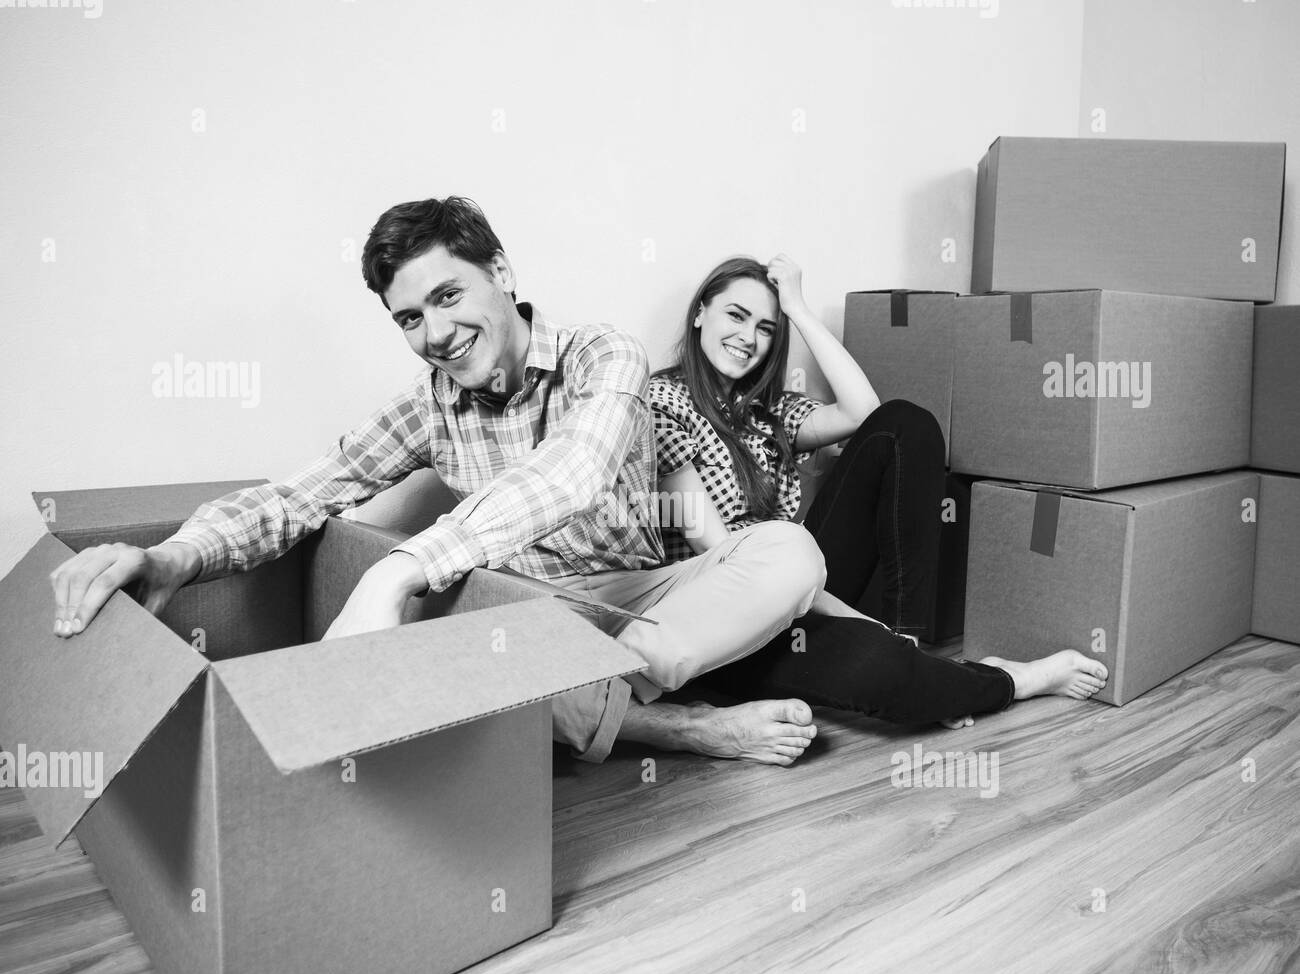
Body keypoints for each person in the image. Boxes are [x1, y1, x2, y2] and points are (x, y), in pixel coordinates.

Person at [47, 200, 828, 766]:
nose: (437, 335)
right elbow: (302, 494)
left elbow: (577, 469)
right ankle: (685, 729)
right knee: (462, 639)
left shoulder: (603, 355)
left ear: (500, 273)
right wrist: (174, 557)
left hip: (644, 596)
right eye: (410, 319)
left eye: (448, 297)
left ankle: (619, 693)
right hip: (524, 619)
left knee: (791, 551)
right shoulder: (426, 408)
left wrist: (402, 566)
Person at [649, 254, 1108, 753]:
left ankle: (909, 639)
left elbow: (865, 413)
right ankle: (1009, 680)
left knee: (905, 423)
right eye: (735, 315)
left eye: (765, 327)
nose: (748, 337)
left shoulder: (768, 411)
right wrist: (864, 628)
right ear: (700, 313)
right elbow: (734, 570)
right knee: (877, 669)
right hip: (731, 622)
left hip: (801, 583)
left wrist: (799, 310)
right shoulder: (663, 403)